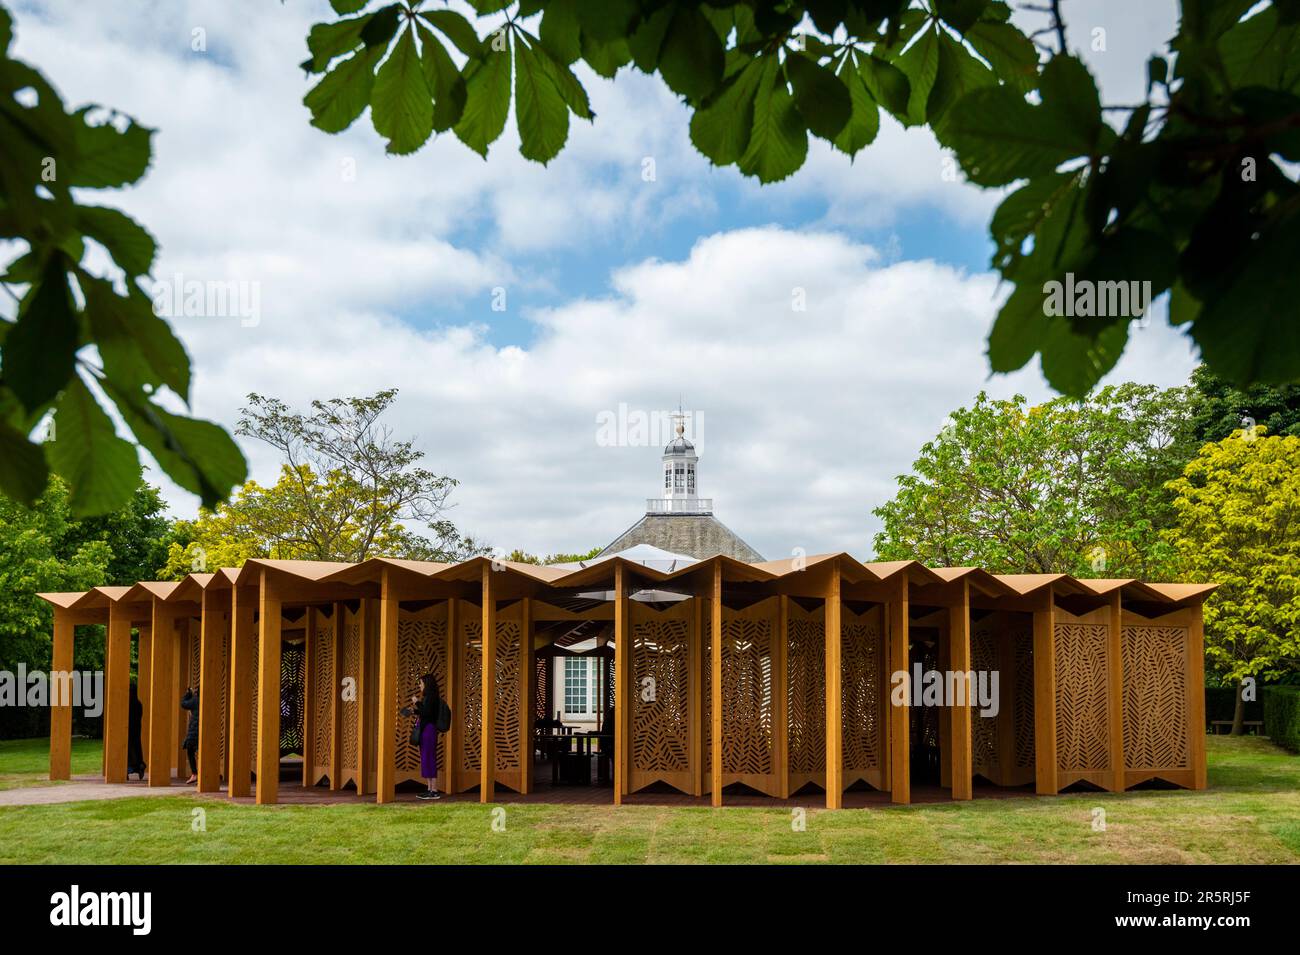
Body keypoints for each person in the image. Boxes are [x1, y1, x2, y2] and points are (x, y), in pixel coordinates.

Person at [402, 674, 441, 800]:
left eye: (421, 683)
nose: (420, 685)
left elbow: (428, 713)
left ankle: (434, 790)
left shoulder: (431, 697)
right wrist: (414, 711)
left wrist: (416, 702)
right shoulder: (428, 697)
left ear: (426, 684)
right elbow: (425, 712)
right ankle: (429, 789)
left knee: (429, 758)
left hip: (429, 730)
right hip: (426, 730)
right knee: (425, 758)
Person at [180, 686, 199, 785]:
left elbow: (183, 704)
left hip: (194, 730)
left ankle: (195, 774)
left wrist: (187, 694)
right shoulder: (207, 700)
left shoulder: (195, 700)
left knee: (190, 750)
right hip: (206, 730)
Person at [126, 681, 145, 781]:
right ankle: (139, 765)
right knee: (136, 747)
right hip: (136, 729)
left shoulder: (127, 704)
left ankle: (128, 768)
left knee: (128, 749)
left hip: (128, 729)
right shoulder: (138, 703)